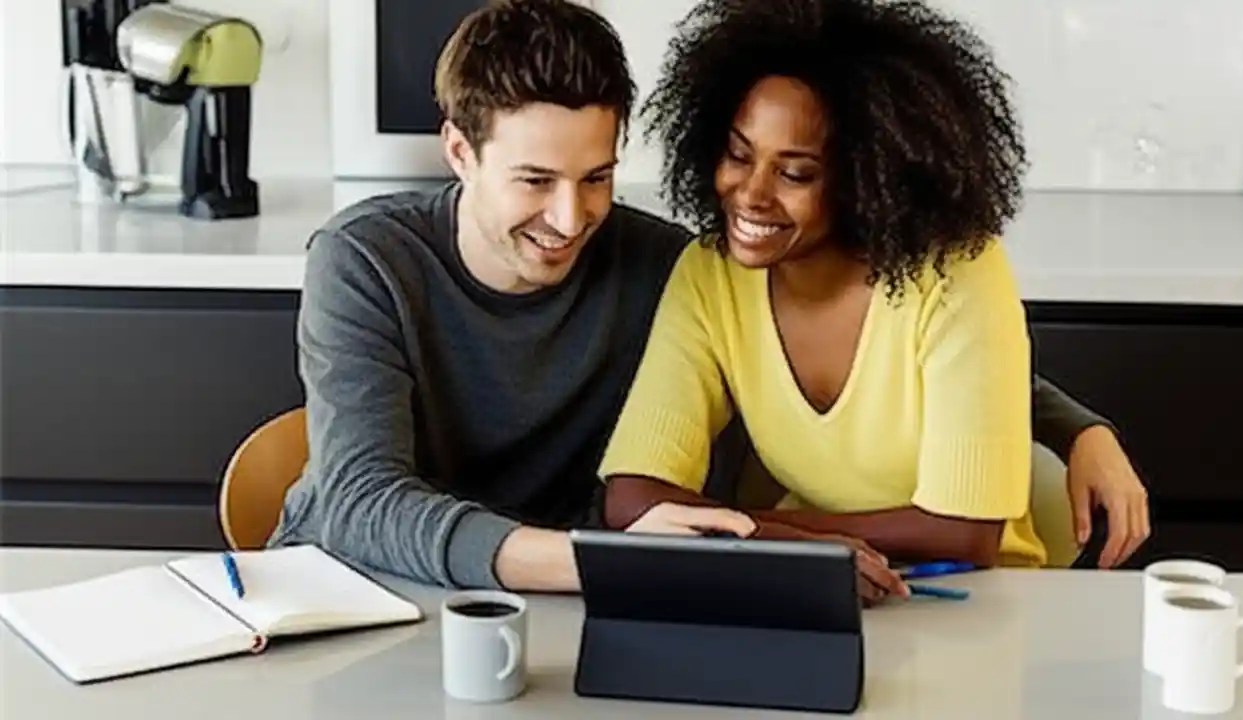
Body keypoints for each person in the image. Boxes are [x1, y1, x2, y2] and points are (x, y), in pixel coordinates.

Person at [269, 0, 1148, 592]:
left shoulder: (661, 263)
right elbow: (360, 499)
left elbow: (914, 344)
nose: (571, 219)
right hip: (369, 591)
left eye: (599, 177)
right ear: (459, 151)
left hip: (558, 608)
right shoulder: (366, 261)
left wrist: (1077, 426)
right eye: (534, 179)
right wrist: (610, 560)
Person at [597, 0, 1149, 602]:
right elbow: (632, 497)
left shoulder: (954, 272)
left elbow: (965, 534)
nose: (750, 194)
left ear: (866, 179)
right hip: (803, 586)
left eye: (796, 174)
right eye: (738, 154)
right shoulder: (710, 275)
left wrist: (748, 534)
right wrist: (781, 544)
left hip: (973, 603)